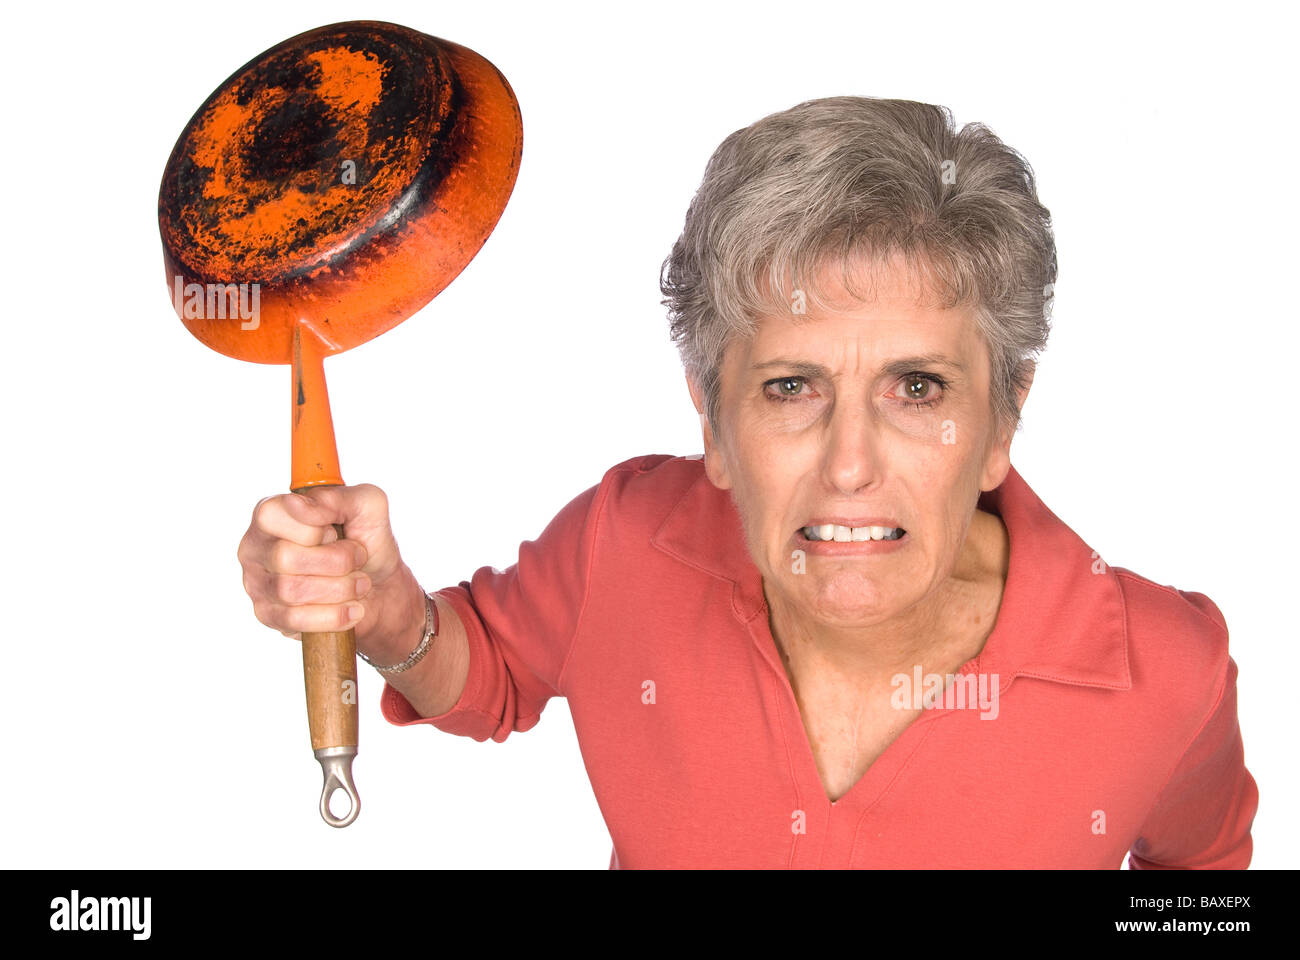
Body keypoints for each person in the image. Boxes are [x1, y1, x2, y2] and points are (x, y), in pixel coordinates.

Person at [237, 96, 1258, 868]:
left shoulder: (1167, 673)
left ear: (1003, 417)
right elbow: (490, 674)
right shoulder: (624, 541)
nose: (849, 465)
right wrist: (379, 610)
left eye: (916, 385)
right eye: (789, 387)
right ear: (712, 418)